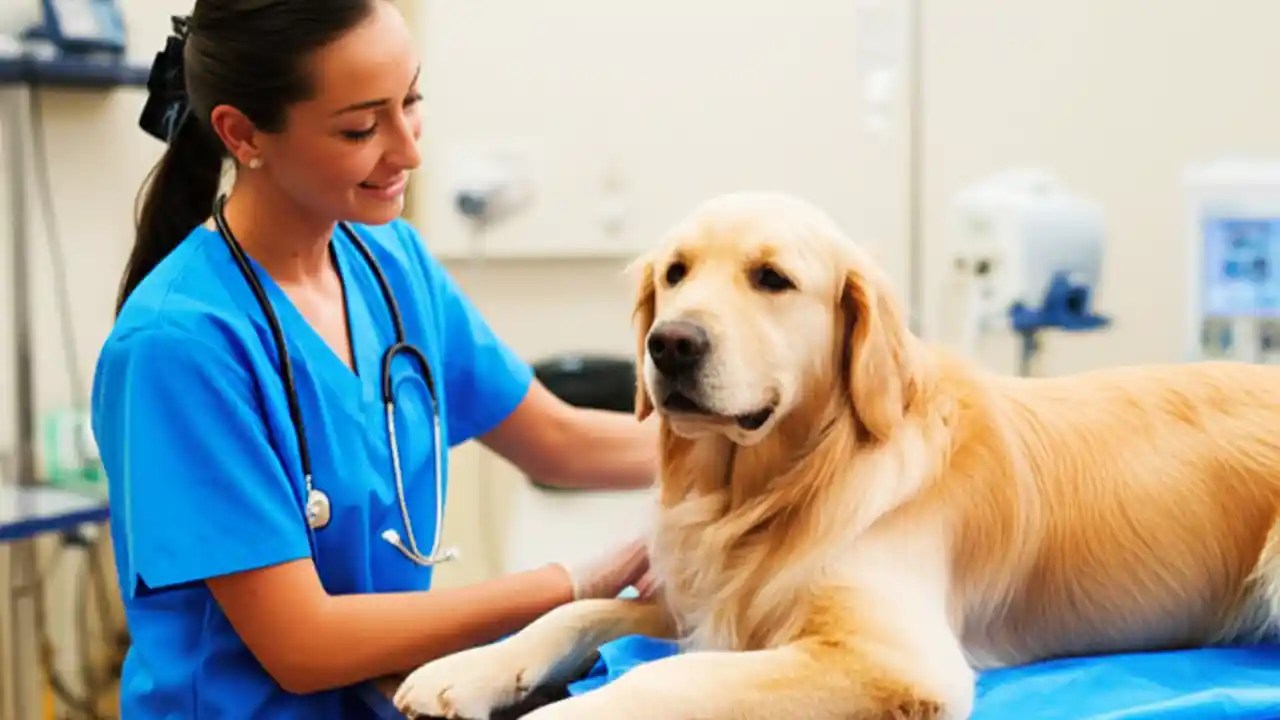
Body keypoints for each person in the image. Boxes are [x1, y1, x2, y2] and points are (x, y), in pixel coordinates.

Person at [89, 1, 659, 717]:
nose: (409, 150)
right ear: (242, 133)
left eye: (411, 101)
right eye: (361, 127)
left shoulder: (392, 264)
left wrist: (769, 449)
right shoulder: (180, 346)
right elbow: (305, 647)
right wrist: (575, 584)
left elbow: (559, 442)